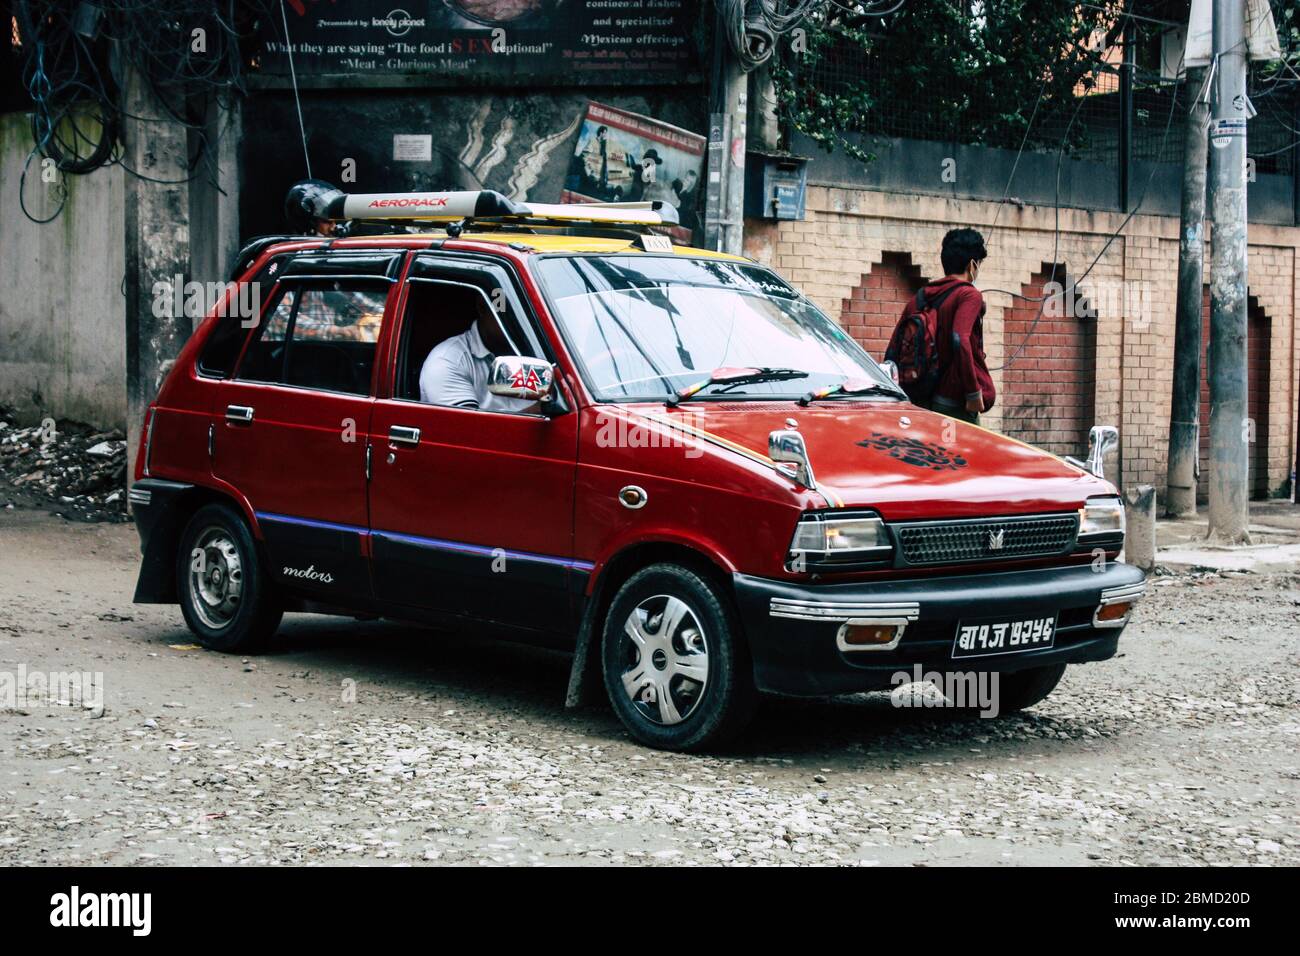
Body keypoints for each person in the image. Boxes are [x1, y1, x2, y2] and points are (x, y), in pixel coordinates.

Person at [911, 227, 995, 424]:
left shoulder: (925, 294)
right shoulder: (969, 294)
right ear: (972, 264)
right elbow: (960, 338)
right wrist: (973, 394)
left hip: (924, 399)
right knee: (971, 454)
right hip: (955, 403)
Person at [419, 296, 537, 413]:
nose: (517, 319)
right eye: (507, 311)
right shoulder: (447, 360)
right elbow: (468, 428)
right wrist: (542, 409)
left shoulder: (536, 349)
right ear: (482, 308)